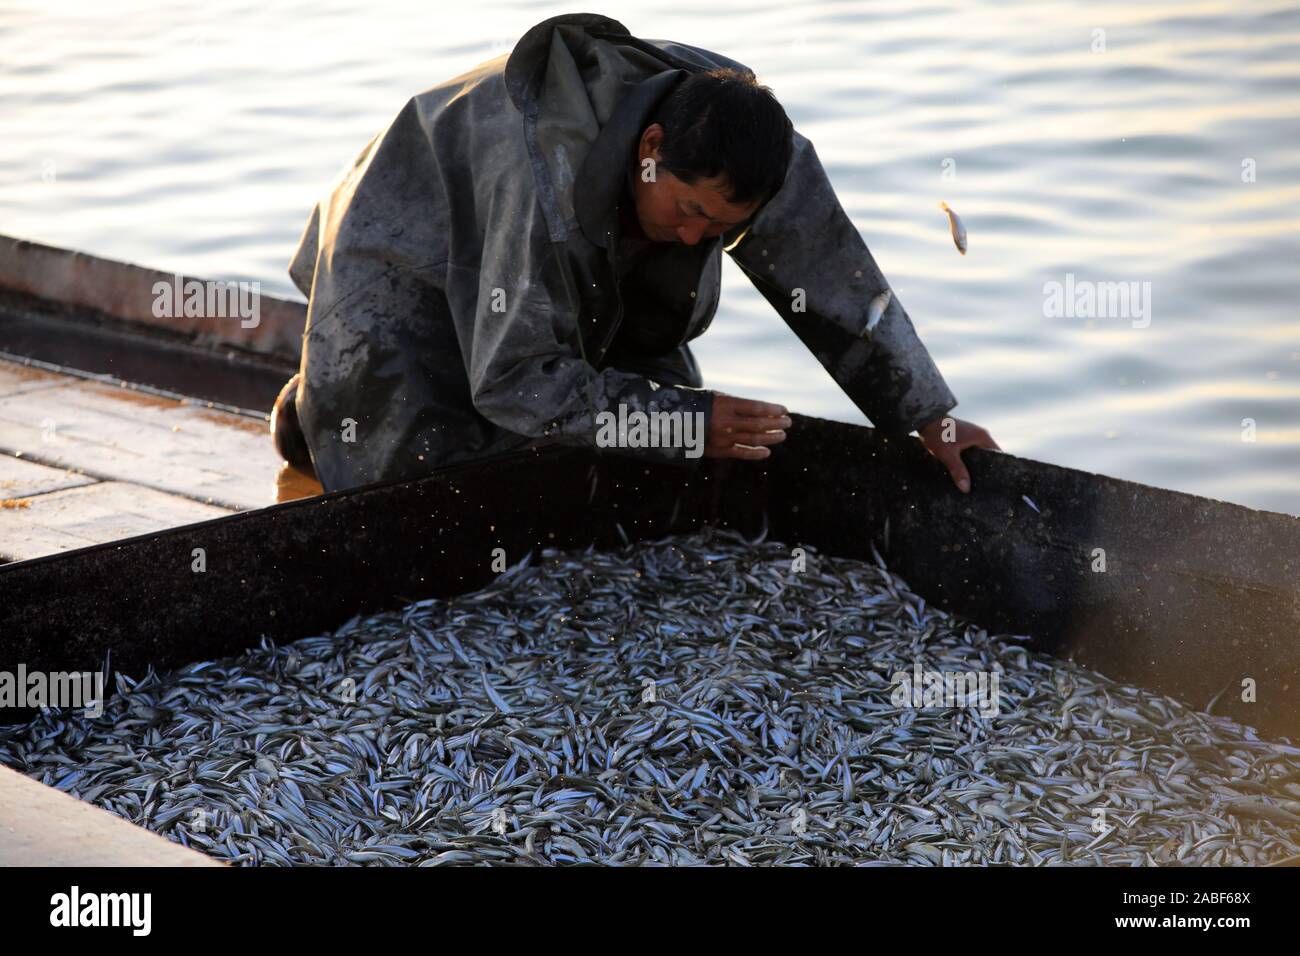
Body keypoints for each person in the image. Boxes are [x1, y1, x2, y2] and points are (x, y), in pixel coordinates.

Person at [272, 12, 998, 493]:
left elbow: (832, 274)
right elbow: (515, 380)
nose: (694, 240)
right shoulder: (536, 177)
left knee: (653, 447)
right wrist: (683, 425)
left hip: (574, 261)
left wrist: (925, 414)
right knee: (422, 482)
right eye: (688, 213)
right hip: (397, 262)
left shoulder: (752, 146)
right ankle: (316, 407)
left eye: (720, 230)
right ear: (650, 152)